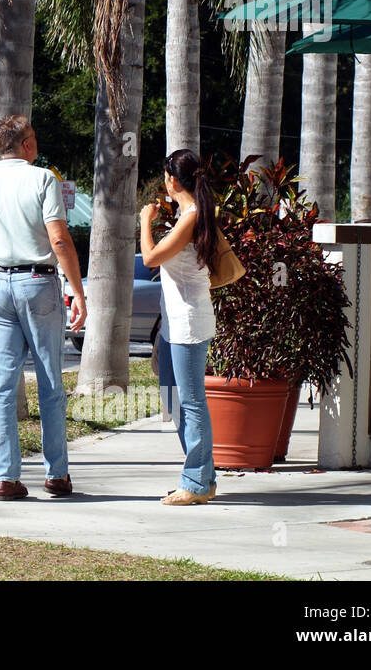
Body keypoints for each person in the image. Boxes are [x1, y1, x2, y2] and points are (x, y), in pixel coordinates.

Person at [0, 114, 87, 502]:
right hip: (38, 283)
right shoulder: (43, 178)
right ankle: (57, 474)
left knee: (3, 384)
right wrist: (78, 292)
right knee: (49, 380)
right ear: (27, 144)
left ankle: (6, 478)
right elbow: (59, 240)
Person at [139, 148, 219, 506]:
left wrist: (145, 221)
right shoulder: (188, 215)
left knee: (191, 402)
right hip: (173, 324)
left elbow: (152, 258)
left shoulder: (192, 216)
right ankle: (202, 476)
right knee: (173, 400)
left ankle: (198, 482)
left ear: (172, 180)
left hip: (188, 323)